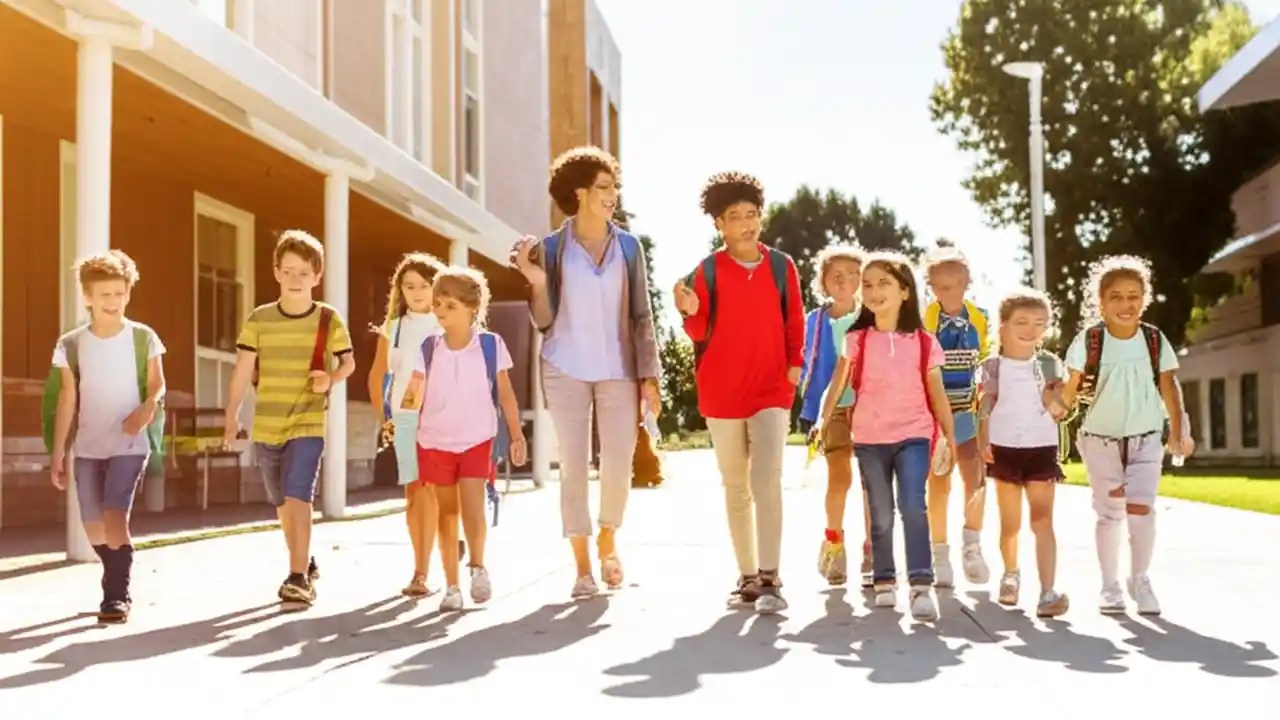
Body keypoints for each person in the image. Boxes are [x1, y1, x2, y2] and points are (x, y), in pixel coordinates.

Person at [510, 146, 662, 598]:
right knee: (574, 467)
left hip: (619, 368)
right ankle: (581, 569)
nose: (613, 195)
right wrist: (536, 280)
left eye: (615, 187)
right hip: (565, 366)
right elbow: (543, 319)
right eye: (603, 187)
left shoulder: (628, 247)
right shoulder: (551, 249)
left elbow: (642, 315)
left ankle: (608, 537)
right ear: (579, 193)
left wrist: (650, 377)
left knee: (617, 461)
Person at [674, 171, 804, 614]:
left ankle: (770, 578)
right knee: (735, 486)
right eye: (735, 216)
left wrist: (793, 370)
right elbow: (698, 331)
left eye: (752, 214)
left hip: (771, 389)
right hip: (722, 391)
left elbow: (795, 322)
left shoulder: (782, 266)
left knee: (765, 479)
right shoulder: (707, 271)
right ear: (719, 224)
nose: (747, 224)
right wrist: (688, 310)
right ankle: (747, 578)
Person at [815, 251, 956, 621]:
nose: (873, 292)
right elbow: (837, 383)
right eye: (868, 285)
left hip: (915, 434)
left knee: (912, 505)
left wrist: (950, 437)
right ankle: (884, 580)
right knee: (879, 511)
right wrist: (822, 420)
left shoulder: (924, 342)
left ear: (905, 291)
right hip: (869, 437)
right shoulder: (857, 339)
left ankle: (921, 585)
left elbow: (938, 395)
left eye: (884, 284)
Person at [222, 230, 355, 607]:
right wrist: (231, 415)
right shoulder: (259, 319)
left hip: (308, 422)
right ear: (276, 272)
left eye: (304, 272)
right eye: (288, 271)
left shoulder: (328, 319)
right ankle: (303, 560)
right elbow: (243, 369)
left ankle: (297, 577)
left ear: (317, 276)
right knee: (281, 501)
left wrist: (331, 377)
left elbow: (348, 363)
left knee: (299, 493)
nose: (296, 279)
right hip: (268, 423)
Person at [1060, 255, 1192, 616]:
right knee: (1110, 514)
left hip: (1146, 436)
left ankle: (1140, 578)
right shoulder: (1090, 341)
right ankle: (1110, 586)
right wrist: (1053, 411)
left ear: (1144, 299)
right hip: (1099, 440)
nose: (1126, 304)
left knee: (1141, 508)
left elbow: (1170, 386)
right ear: (1101, 302)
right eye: (1116, 297)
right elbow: (1069, 391)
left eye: (1134, 296)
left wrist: (1179, 430)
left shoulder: (1153, 340)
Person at [46, 250, 165, 623]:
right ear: (88, 297)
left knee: (115, 514)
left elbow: (157, 384)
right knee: (93, 526)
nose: (113, 301)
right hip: (88, 446)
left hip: (130, 443)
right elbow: (68, 397)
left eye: (119, 293)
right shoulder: (71, 344)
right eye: (104, 294)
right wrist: (58, 453)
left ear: (128, 293)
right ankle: (115, 568)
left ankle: (116, 594)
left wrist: (148, 407)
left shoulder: (143, 337)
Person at [401, 266, 527, 612]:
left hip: (476, 439)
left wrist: (517, 435)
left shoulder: (490, 345)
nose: (440, 311)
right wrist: (402, 416)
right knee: (446, 514)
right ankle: (452, 586)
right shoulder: (429, 347)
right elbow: (413, 392)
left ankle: (478, 567)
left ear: (472, 308)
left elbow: (506, 394)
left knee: (473, 509)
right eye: (438, 303)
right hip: (434, 441)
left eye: (450, 305)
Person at [975, 288, 1070, 617]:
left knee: (1042, 519)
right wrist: (983, 440)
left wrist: (1056, 400)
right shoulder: (992, 366)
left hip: (1041, 448)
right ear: (1003, 326)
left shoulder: (1049, 364)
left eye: (1039, 324)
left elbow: (1061, 409)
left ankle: (1048, 592)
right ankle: (1010, 575)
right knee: (1010, 522)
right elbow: (984, 406)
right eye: (1022, 322)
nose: (1031, 330)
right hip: (1003, 448)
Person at [367, 252, 446, 597]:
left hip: (443, 418)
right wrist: (383, 418)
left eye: (424, 286)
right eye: (409, 286)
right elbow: (376, 375)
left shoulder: (448, 324)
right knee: (414, 492)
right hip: (405, 417)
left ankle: (439, 561)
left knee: (434, 490)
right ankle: (420, 570)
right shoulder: (394, 328)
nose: (416, 292)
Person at [798, 243, 874, 588]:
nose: (844, 282)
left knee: (872, 482)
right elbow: (806, 364)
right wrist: (810, 411)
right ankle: (834, 544)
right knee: (839, 478)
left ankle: (874, 549)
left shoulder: (871, 317)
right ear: (824, 282)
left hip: (871, 406)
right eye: (836, 276)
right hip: (832, 409)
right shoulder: (815, 321)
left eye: (853, 275)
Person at [921, 241, 991, 587]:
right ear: (931, 287)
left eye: (955, 285)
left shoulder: (979, 318)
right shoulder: (926, 319)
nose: (948, 293)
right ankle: (939, 553)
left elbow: (987, 360)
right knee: (939, 480)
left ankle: (972, 544)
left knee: (975, 477)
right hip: (935, 414)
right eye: (940, 287)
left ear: (967, 283)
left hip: (968, 412)